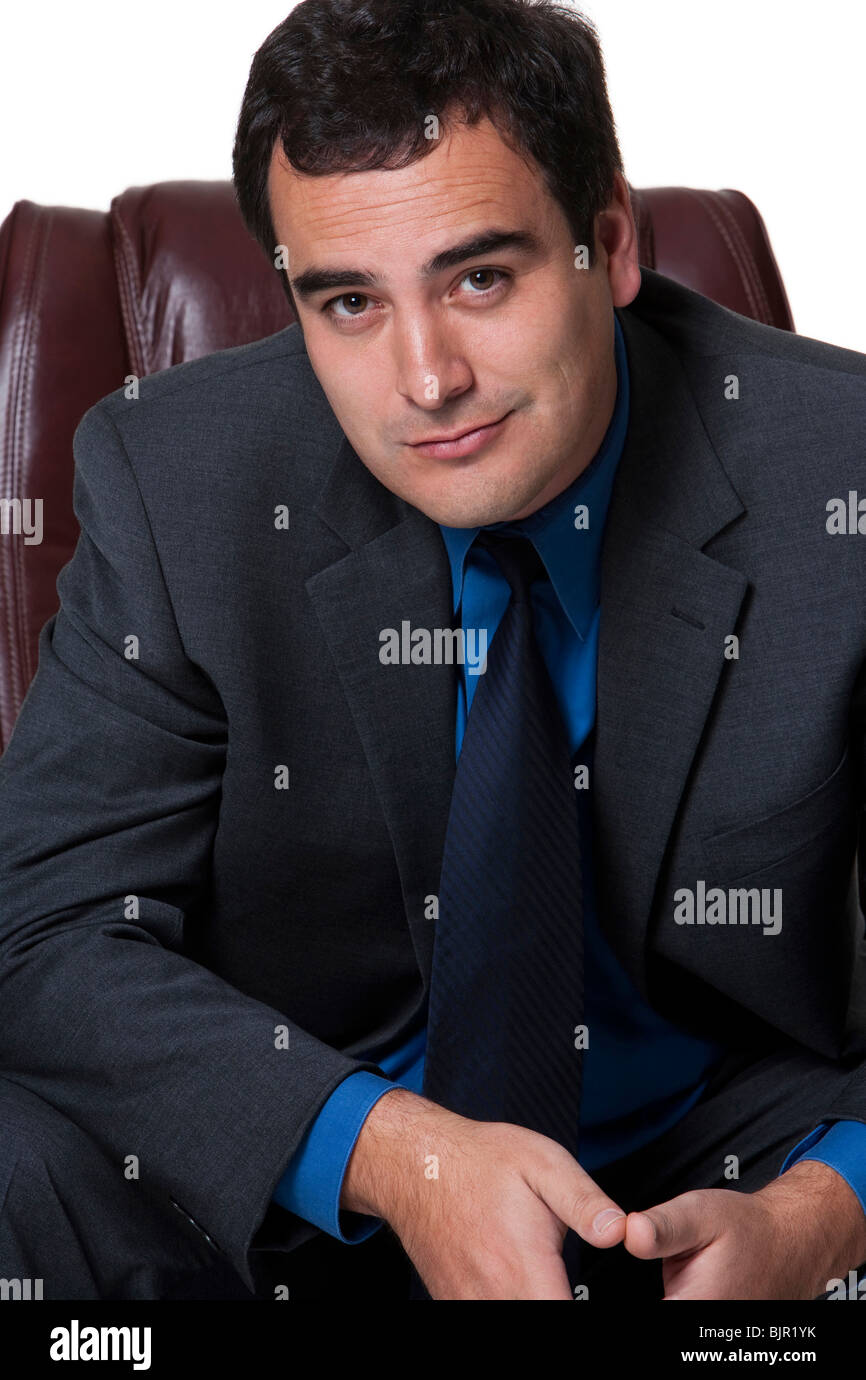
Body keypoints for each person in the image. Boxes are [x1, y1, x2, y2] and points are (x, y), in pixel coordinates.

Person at [1, 0, 865, 1303]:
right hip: (300, 1164)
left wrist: (819, 1213)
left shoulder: (835, 479)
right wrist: (395, 1158)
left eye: (480, 277)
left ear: (611, 243)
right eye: (349, 301)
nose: (424, 379)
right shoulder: (181, 483)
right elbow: (44, 930)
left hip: (705, 1176)